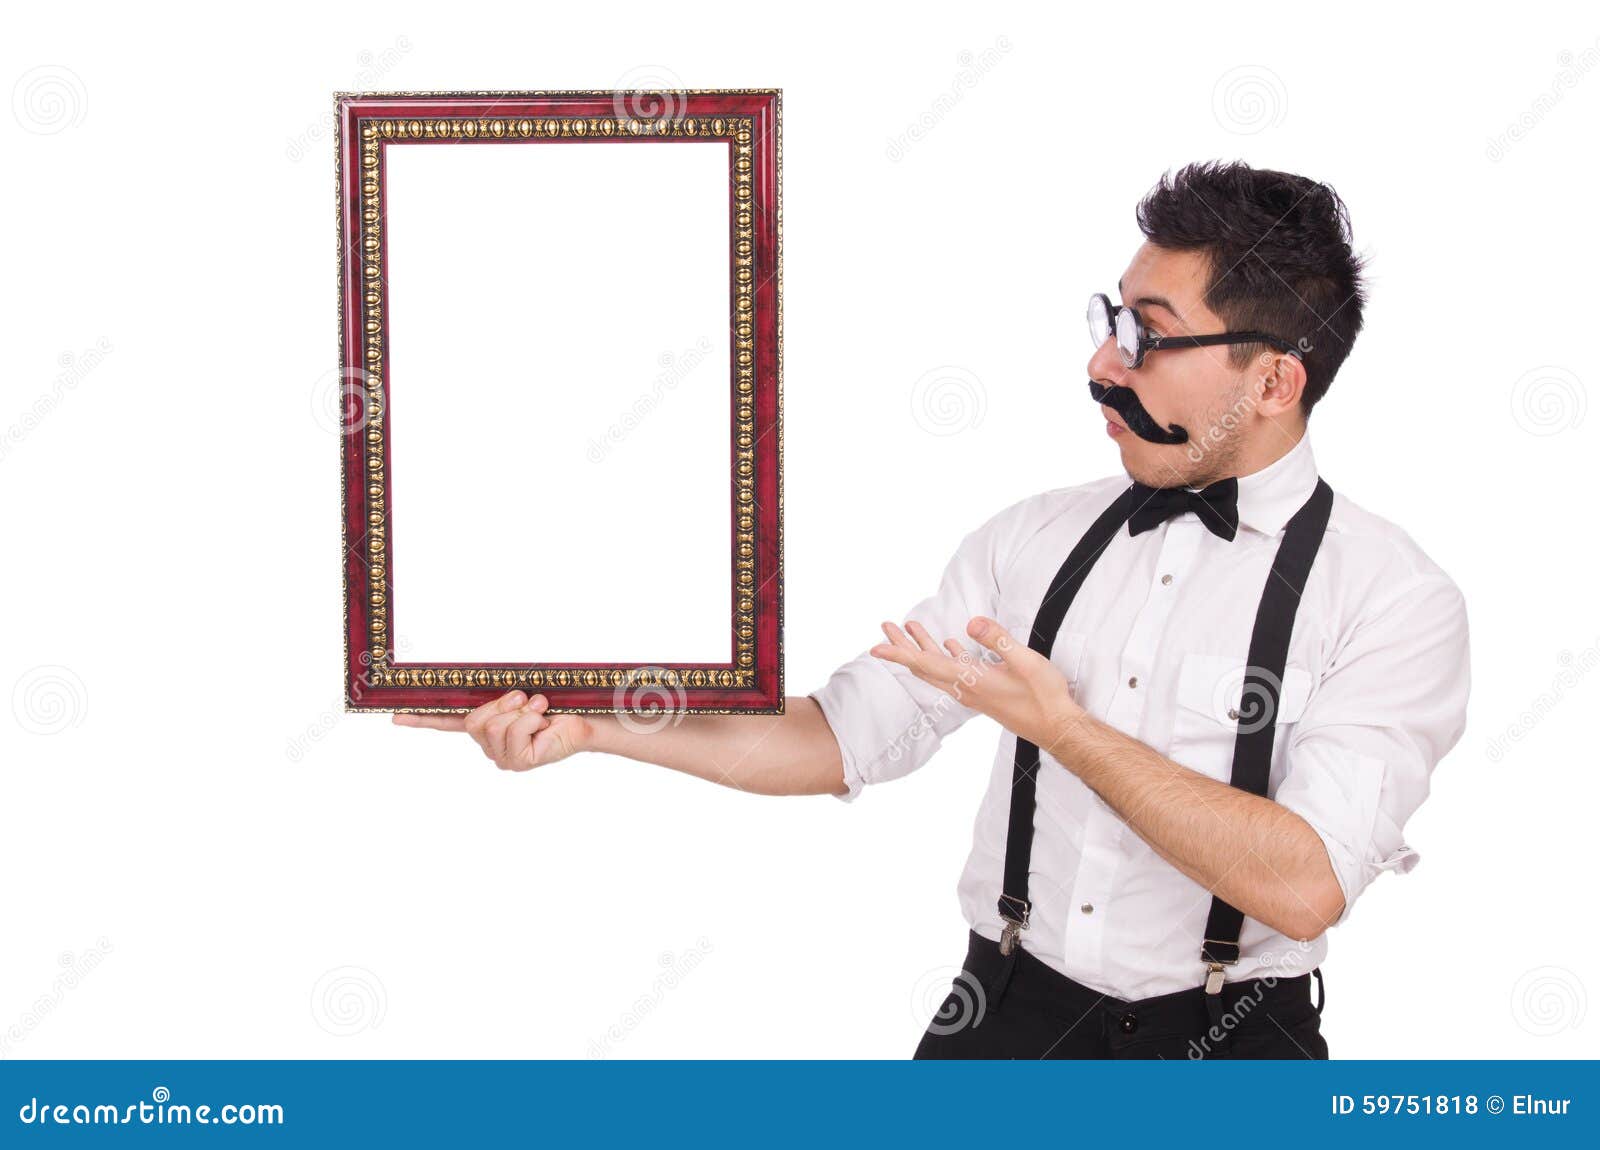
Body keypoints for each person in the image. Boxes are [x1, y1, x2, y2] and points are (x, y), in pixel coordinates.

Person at [395, 160, 1470, 1059]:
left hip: (1237, 1044)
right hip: (1001, 1021)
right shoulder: (1031, 538)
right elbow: (838, 735)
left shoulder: (1395, 600)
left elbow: (1305, 885)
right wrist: (595, 722)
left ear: (1273, 383)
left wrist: (1064, 729)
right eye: (1111, 320)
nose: (1101, 364)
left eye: (1148, 335)